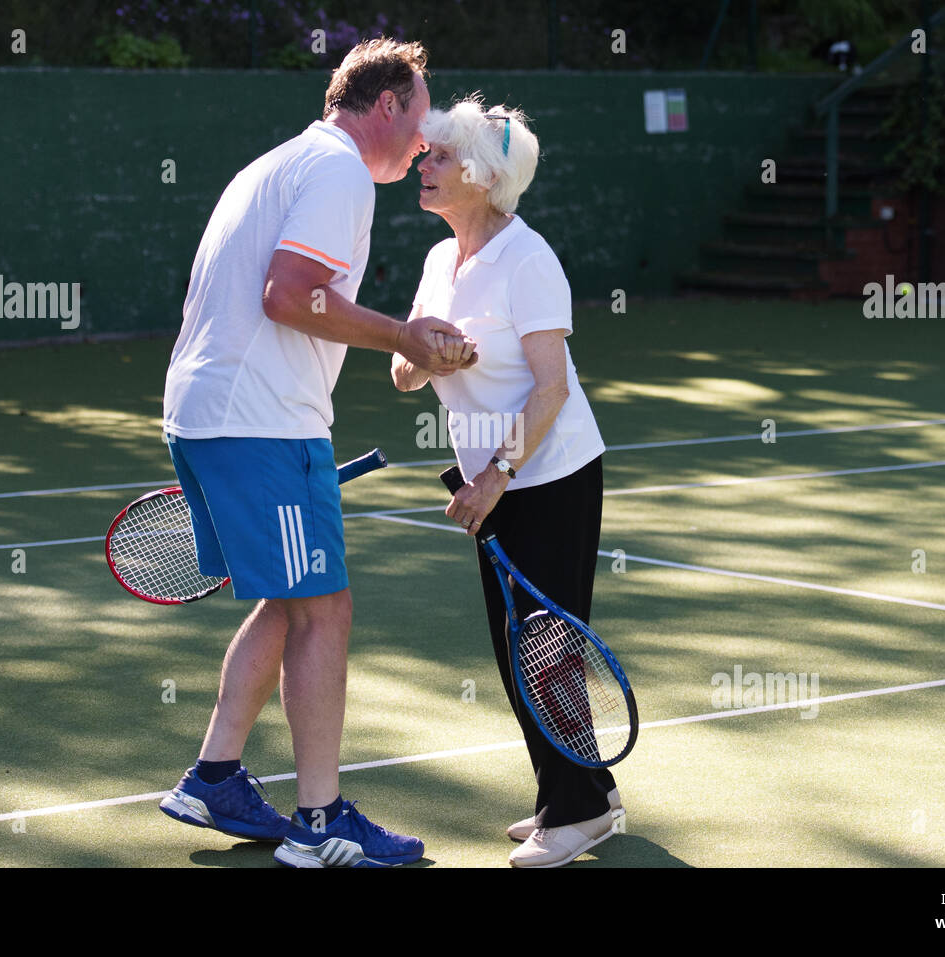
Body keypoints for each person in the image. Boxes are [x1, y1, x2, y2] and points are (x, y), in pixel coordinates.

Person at [159, 38, 476, 869]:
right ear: (386, 107)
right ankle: (321, 819)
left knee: (287, 601)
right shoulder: (336, 172)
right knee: (324, 607)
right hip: (262, 424)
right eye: (421, 117)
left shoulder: (276, 164)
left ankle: (216, 776)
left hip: (207, 417)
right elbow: (290, 295)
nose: (424, 143)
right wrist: (403, 335)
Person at [391, 98, 621, 868]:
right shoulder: (436, 262)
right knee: (516, 640)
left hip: (550, 474)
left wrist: (496, 475)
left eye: (439, 159)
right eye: (425, 156)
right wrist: (433, 359)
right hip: (496, 480)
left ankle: (578, 810)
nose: (423, 166)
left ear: (485, 178)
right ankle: (584, 793)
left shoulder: (530, 259)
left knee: (544, 644)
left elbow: (550, 388)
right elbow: (400, 370)